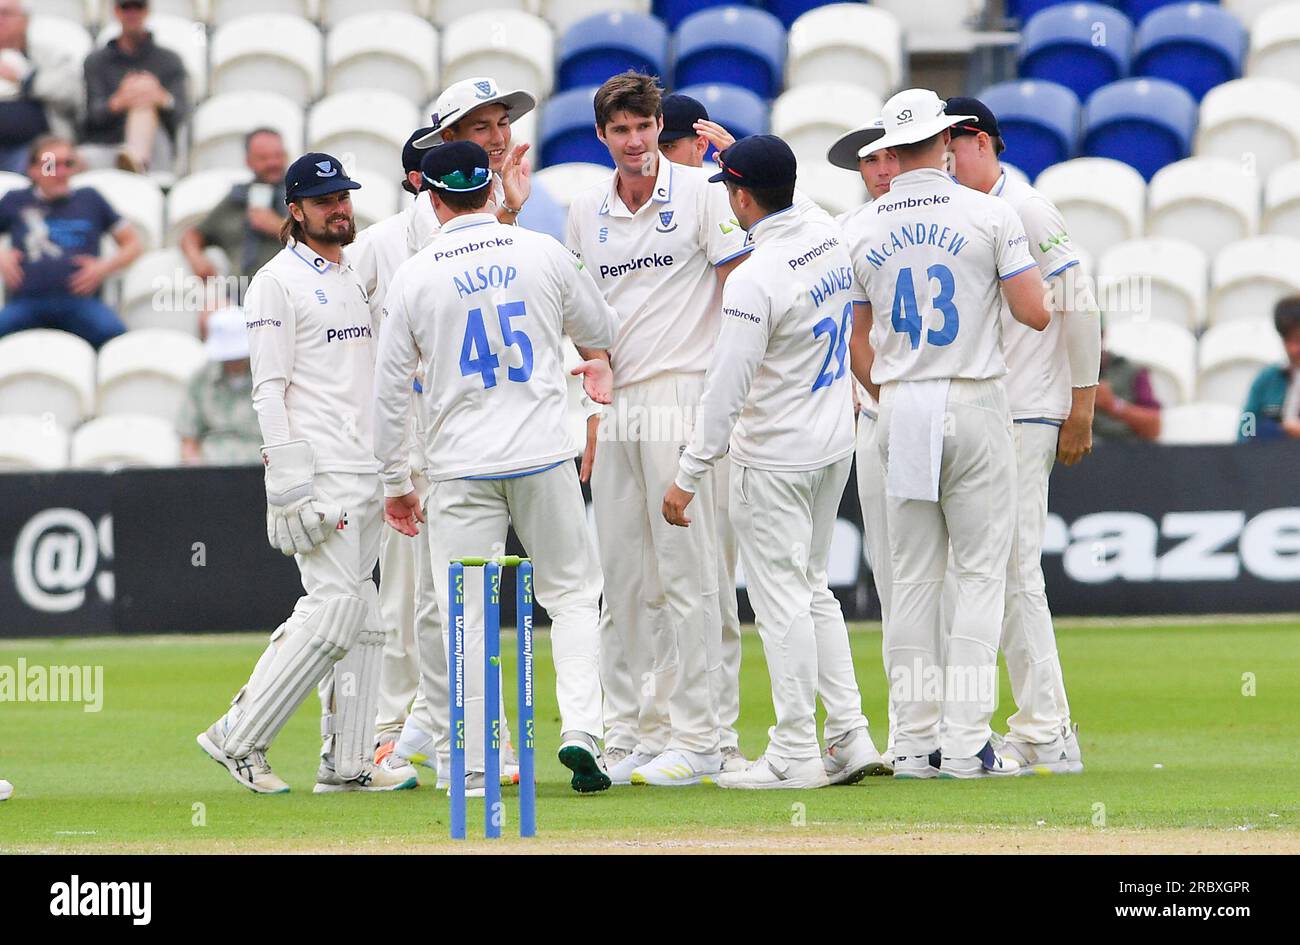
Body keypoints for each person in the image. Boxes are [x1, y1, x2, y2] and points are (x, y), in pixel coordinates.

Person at [374, 141, 619, 794]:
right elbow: (603, 325)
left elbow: (389, 392)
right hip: (541, 451)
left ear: (431, 198)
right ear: (491, 190)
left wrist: (395, 484)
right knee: (571, 595)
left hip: (459, 464)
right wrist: (586, 353)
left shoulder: (415, 274)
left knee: (468, 614)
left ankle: (479, 766)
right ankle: (582, 730)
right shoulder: (541, 251)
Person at [663, 134, 887, 788]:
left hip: (776, 457)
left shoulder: (756, 276)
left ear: (739, 195)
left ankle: (793, 750)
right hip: (832, 444)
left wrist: (686, 476)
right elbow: (803, 203)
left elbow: (725, 389)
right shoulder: (828, 238)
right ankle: (849, 733)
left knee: (783, 598)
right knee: (812, 588)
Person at [844, 89, 1050, 780]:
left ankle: (912, 741)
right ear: (942, 141)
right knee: (981, 575)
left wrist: (899, 395)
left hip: (900, 402)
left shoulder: (862, 227)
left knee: (913, 581)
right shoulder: (990, 212)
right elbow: (1036, 313)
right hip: (973, 395)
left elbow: (859, 345)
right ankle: (966, 744)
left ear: (892, 152)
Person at [197, 152, 416, 794]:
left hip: (368, 466)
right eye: (324, 201)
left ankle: (346, 764)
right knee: (333, 608)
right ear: (295, 211)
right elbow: (268, 389)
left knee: (363, 615)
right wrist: (288, 485)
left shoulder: (353, 276)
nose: (338, 208)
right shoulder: (275, 281)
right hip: (320, 471)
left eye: (343, 197)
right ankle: (239, 737)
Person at [566, 71, 752, 787]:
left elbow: (743, 294)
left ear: (657, 126)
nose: (637, 143)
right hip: (617, 405)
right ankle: (632, 731)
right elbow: (583, 316)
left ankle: (702, 733)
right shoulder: (586, 209)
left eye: (645, 128)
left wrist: (724, 403)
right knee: (622, 574)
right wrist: (595, 381)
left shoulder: (703, 195)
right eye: (622, 131)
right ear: (603, 137)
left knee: (693, 573)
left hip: (685, 394)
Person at [945, 96, 1100, 774]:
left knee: (1012, 568)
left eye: (948, 145)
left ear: (977, 140)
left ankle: (1045, 730)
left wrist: (1082, 406)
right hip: (989, 412)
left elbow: (1080, 302)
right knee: (997, 570)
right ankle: (1045, 728)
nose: (940, 161)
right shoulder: (973, 213)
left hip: (1029, 410)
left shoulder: (1028, 208)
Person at [655, 91, 747, 774]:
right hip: (646, 412)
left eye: (668, 142)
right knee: (647, 584)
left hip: (716, 412)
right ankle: (660, 726)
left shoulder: (717, 204)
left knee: (708, 578)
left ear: (698, 144)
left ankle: (715, 733)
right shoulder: (641, 209)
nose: (660, 159)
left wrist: (740, 171)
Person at [833, 129, 900, 769]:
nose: (882, 169)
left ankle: (963, 727)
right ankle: (912, 727)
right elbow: (854, 336)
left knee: (967, 573)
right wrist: (885, 397)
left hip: (952, 410)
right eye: (869, 160)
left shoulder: (960, 215)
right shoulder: (849, 230)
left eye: (889, 155)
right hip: (882, 414)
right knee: (893, 568)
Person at [0, 135, 141, 347]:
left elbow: (133, 243)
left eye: (68, 164)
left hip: (80, 301)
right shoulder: (15, 200)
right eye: (52, 165)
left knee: (117, 338)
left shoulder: (90, 198)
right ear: (33, 170)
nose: (62, 172)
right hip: (27, 301)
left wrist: (103, 267)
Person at [180, 128, 288, 302]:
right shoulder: (236, 199)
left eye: (277, 156)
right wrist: (196, 258)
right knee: (215, 316)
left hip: (288, 296)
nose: (273, 163)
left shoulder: (303, 198)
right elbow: (192, 235)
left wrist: (279, 227)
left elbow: (323, 244)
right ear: (248, 161)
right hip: (240, 297)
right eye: (263, 158)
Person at [82, 0, 188, 175]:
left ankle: (135, 164)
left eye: (138, 7)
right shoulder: (97, 61)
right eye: (125, 7)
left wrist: (161, 97)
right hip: (107, 146)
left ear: (147, 11)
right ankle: (45, 192)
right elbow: (89, 119)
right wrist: (119, 101)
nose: (132, 13)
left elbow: (182, 113)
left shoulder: (169, 60)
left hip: (156, 147)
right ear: (116, 12)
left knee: (143, 105)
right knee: (54, 157)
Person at [413, 76, 535, 226]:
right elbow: (466, 247)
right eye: (481, 128)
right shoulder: (432, 203)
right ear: (449, 138)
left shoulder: (500, 184)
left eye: (503, 123)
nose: (499, 139)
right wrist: (509, 210)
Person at [0, 0, 81, 174]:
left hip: (39, 147)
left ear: (25, 20)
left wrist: (24, 79)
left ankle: (48, 200)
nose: (0, 20)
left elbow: (70, 93)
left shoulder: (50, 55)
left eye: (5, 14)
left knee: (50, 167)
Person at [177, 305, 261, 466]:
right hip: (213, 469)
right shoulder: (200, 380)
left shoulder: (269, 377)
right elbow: (188, 441)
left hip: (262, 468)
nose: (234, 362)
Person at [1240, 296, 1300, 441]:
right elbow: (1245, 432)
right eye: (1287, 340)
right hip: (1269, 460)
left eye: (1298, 339)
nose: (1293, 349)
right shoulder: (1266, 379)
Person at [1093, 347, 1161, 441]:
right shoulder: (1068, 369)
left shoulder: (1133, 371)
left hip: (1123, 446)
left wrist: (1113, 404)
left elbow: (1154, 426)